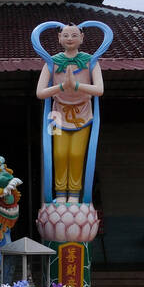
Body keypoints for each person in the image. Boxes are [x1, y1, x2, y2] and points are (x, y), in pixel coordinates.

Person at [35, 23, 103, 202]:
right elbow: (40, 93)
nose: (70, 39)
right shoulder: (51, 62)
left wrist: (77, 85)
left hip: (83, 114)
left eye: (74, 35)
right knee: (58, 153)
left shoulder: (91, 61)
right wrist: (62, 86)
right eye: (66, 35)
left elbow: (99, 89)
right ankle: (59, 194)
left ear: (82, 38)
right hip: (56, 114)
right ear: (59, 39)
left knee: (76, 154)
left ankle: (73, 195)